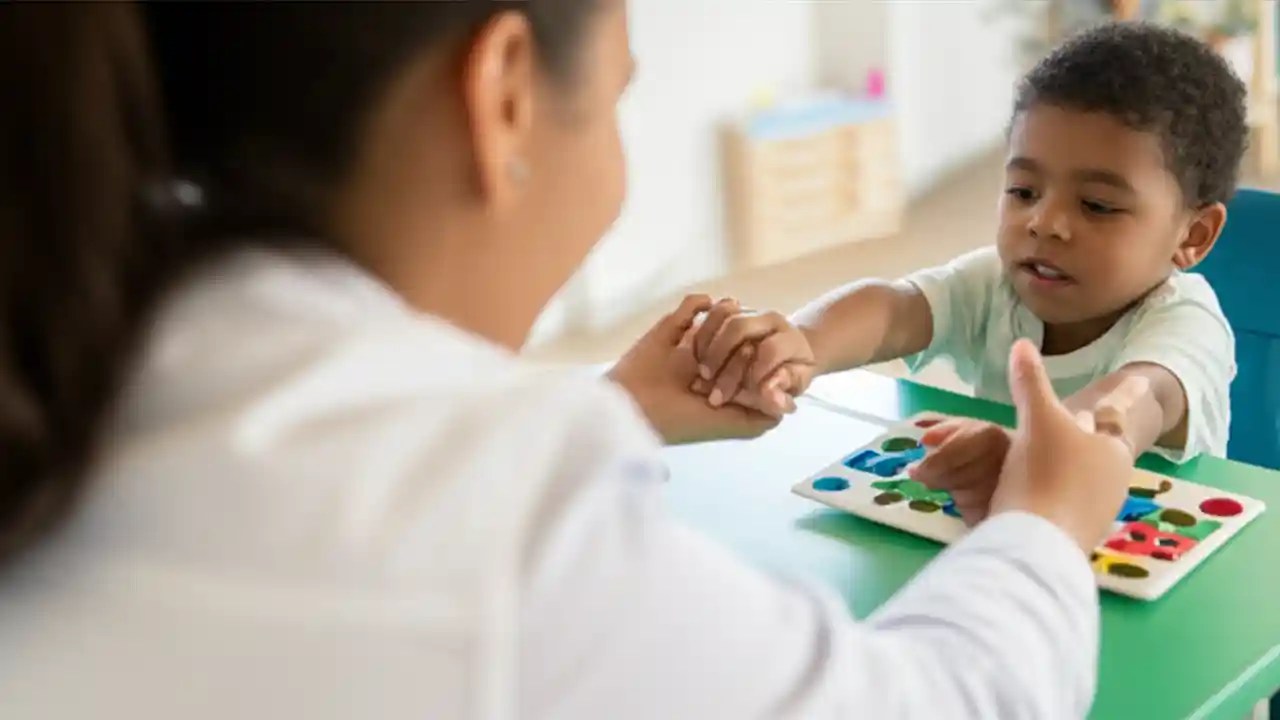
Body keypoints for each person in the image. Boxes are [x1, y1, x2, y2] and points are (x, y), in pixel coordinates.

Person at [0, 3, 1136, 718]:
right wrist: (1041, 528)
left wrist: (609, 407)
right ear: (500, 94)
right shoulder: (492, 512)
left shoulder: (73, 321)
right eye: (616, 98)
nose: (1041, 225)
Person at [689, 23, 1245, 492]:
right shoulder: (1000, 285)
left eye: (1097, 205)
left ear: (1193, 235)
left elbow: (1137, 397)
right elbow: (895, 309)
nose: (1043, 222)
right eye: (1024, 191)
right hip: (1016, 540)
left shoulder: (1185, 325)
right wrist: (802, 342)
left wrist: (1038, 449)